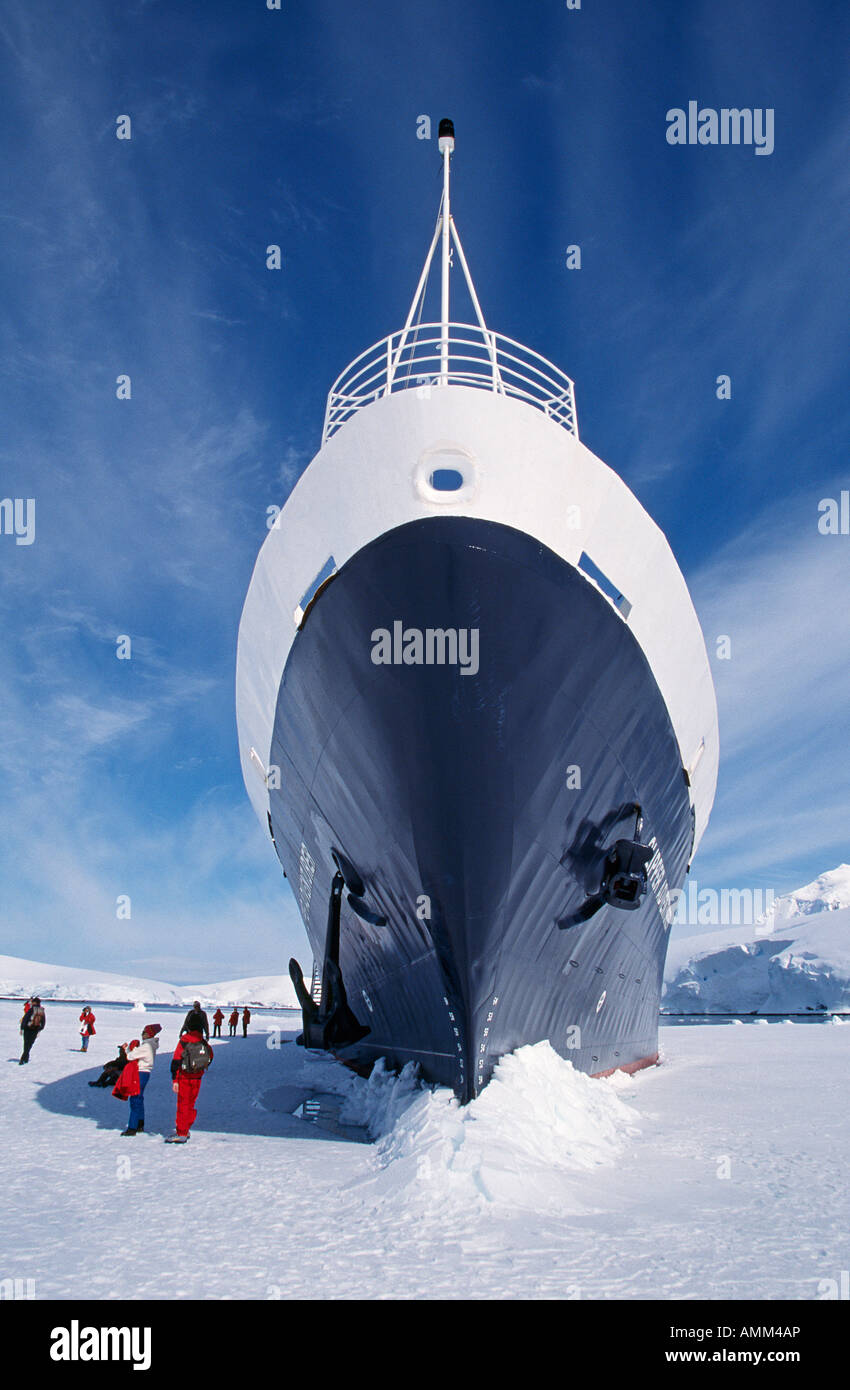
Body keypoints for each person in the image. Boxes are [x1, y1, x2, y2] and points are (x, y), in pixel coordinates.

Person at [165, 1011, 213, 1144]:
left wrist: (175, 1080)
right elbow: (210, 1057)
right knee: (191, 1104)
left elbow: (176, 1061)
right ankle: (186, 1127)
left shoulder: (185, 1041)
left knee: (183, 1105)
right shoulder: (203, 1041)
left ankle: (181, 1133)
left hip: (184, 1078)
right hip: (197, 1078)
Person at [119, 1024, 161, 1136]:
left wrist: (126, 1049)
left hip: (140, 1073)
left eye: (144, 1032)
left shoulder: (146, 1046)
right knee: (139, 1098)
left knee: (135, 1099)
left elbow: (130, 1056)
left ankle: (132, 1127)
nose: (142, 1034)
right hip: (145, 1073)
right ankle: (140, 1123)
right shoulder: (151, 1045)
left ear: (149, 1034)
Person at [19, 996, 45, 1064]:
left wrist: (22, 1028)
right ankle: (26, 1058)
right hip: (35, 1029)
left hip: (28, 1028)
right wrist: (39, 1029)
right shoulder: (42, 1010)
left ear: (34, 1002)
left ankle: (23, 1059)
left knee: (26, 1044)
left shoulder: (31, 1009)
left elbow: (25, 1019)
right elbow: (43, 1022)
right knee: (30, 1044)